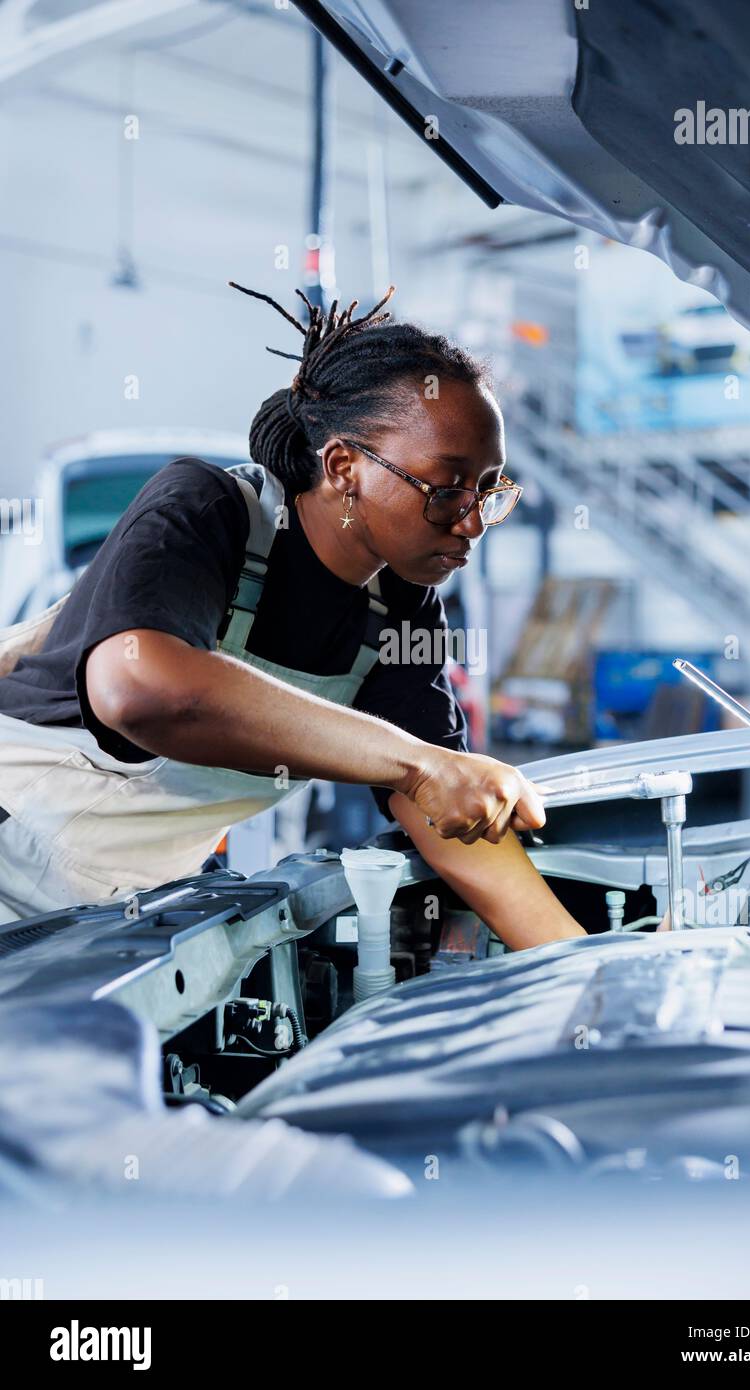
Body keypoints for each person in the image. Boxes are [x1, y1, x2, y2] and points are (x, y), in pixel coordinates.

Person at [0, 282, 586, 947]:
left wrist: (582, 961)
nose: (474, 523)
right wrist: (413, 762)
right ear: (343, 467)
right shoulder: (206, 508)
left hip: (115, 922)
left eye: (488, 490)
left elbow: (446, 821)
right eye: (448, 489)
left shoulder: (401, 607)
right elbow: (140, 690)